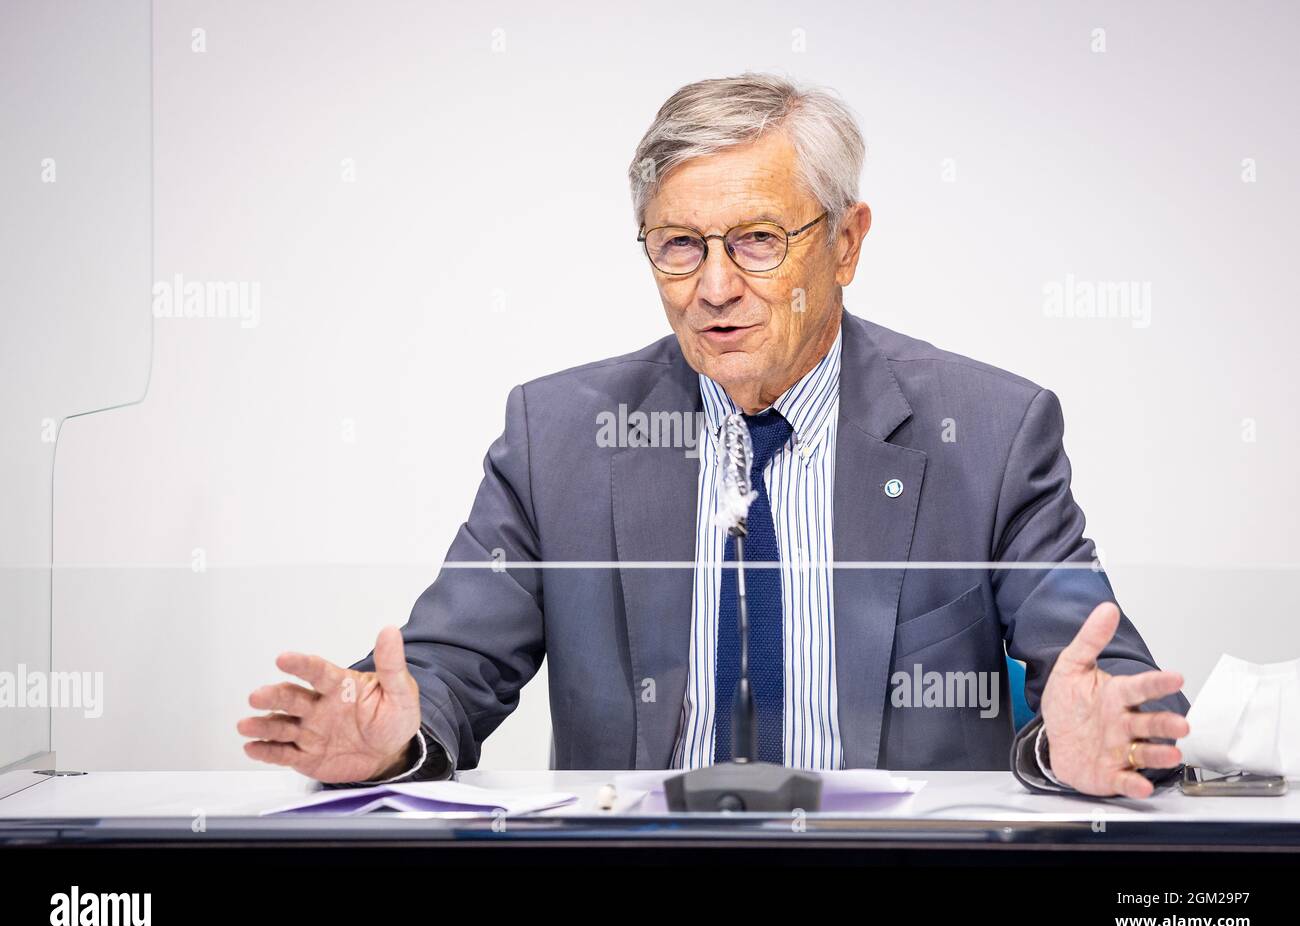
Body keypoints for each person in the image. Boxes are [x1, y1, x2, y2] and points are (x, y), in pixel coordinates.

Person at [238, 73, 1189, 798]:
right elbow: (450, 665)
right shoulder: (561, 435)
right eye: (680, 245)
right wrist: (396, 738)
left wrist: (1074, 744)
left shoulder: (986, 433)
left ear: (847, 242)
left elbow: (1114, 689)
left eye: (759, 241)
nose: (716, 285)